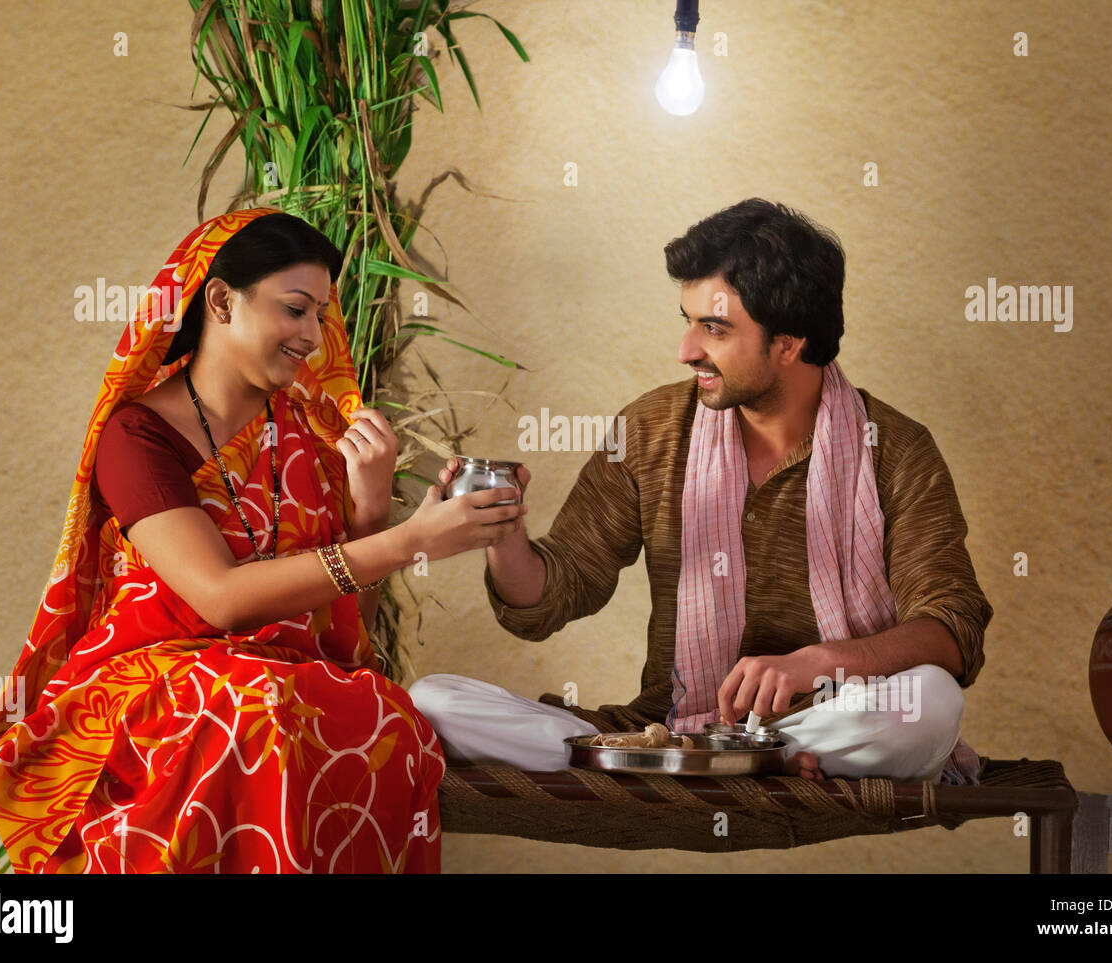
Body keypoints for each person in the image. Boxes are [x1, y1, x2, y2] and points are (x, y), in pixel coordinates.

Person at [0, 208, 525, 873]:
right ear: (219, 300)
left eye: (320, 316)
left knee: (385, 713)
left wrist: (369, 508)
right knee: (254, 710)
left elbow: (343, 636)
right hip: (153, 688)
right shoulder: (138, 437)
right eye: (295, 310)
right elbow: (220, 598)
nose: (313, 336)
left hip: (282, 683)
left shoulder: (315, 439)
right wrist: (409, 541)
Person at [409, 199, 993, 784]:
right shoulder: (652, 430)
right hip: (665, 728)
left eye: (714, 328)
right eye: (688, 321)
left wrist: (818, 663)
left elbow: (952, 627)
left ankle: (748, 755)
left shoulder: (893, 448)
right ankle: (730, 762)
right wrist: (504, 535)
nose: (686, 350)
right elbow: (555, 593)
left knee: (930, 702)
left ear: (788, 342)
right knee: (433, 702)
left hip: (824, 717)